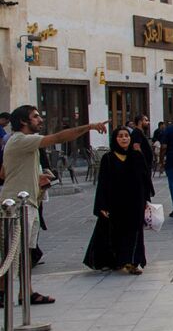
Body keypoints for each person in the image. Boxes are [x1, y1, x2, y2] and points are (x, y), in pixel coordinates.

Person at [0, 106, 107, 304]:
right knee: (11, 252)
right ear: (23, 122)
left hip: (28, 203)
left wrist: (35, 177)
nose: (40, 119)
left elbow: (4, 173)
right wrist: (90, 126)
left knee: (25, 252)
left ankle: (26, 292)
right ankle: (2, 293)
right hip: (16, 205)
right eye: (36, 116)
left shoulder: (19, 143)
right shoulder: (21, 140)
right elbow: (58, 138)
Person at [84, 127, 151, 274]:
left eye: (126, 136)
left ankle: (132, 262)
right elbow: (103, 183)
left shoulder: (136, 156)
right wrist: (102, 205)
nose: (124, 139)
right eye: (120, 136)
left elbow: (144, 179)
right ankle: (115, 260)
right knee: (113, 232)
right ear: (115, 139)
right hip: (115, 203)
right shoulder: (108, 158)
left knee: (134, 232)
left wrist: (146, 199)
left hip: (135, 201)